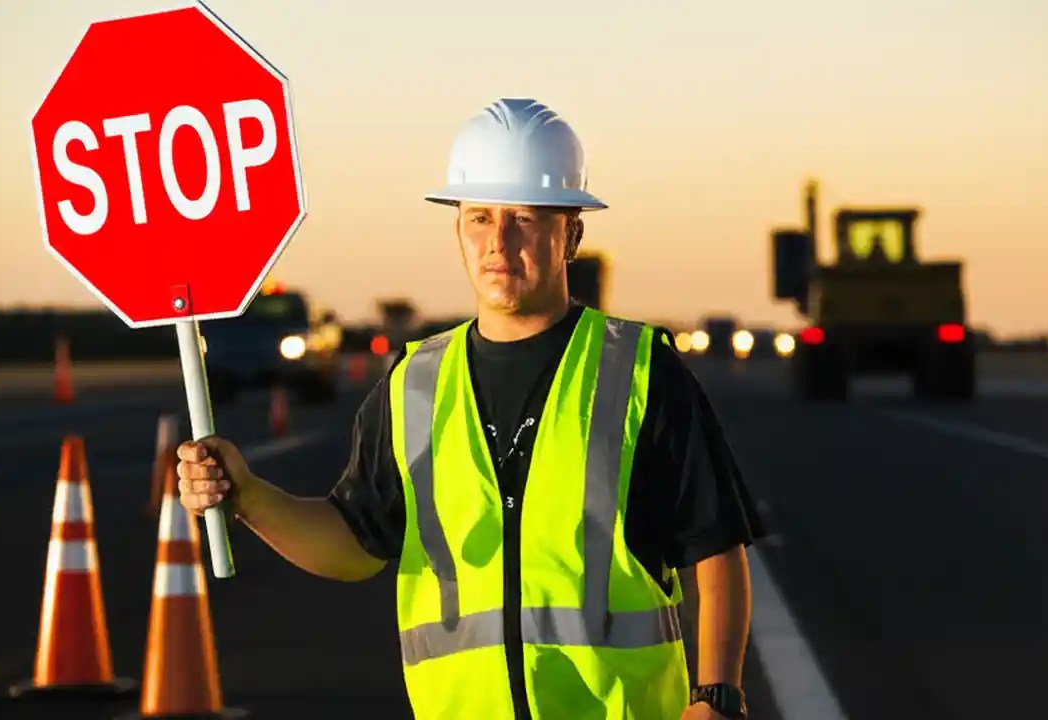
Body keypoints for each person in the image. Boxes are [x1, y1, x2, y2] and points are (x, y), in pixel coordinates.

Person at [177, 98, 765, 720]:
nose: (499, 243)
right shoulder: (413, 386)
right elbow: (356, 543)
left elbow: (717, 546)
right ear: (457, 227)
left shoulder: (643, 371)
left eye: (525, 219)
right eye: (480, 217)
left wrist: (716, 695)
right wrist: (246, 495)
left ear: (571, 234)